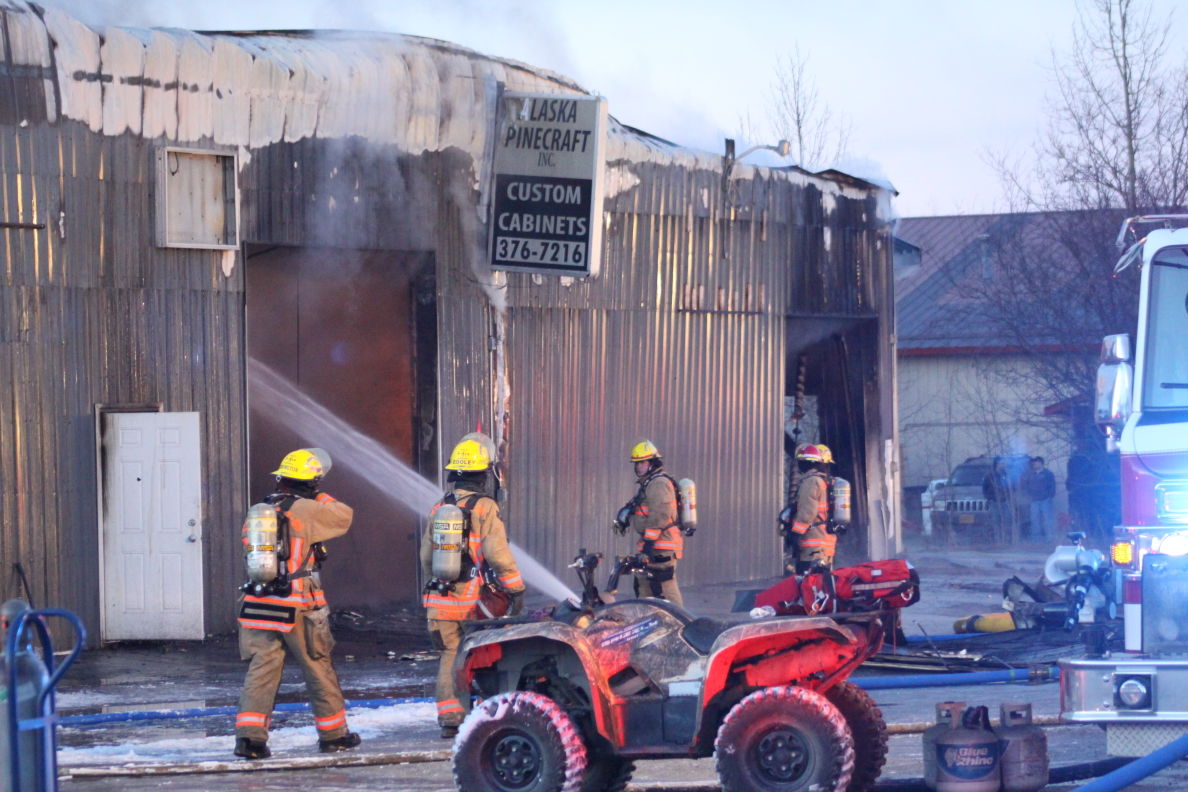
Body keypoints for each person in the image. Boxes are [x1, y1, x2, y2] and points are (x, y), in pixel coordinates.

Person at [234, 448, 360, 760]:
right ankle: (334, 736)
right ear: (310, 482)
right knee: (318, 666)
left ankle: (250, 740)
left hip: (258, 603)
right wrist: (320, 495)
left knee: (261, 670)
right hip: (297, 604)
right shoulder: (307, 509)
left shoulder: (260, 510)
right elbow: (343, 515)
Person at [421, 433, 525, 739]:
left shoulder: (439, 507)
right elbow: (497, 554)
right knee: (483, 651)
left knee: (449, 654)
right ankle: (493, 711)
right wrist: (515, 588)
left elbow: (426, 556)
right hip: (469, 600)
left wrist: (441, 579)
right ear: (484, 474)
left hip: (438, 599)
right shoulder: (485, 507)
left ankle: (450, 719)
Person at [613, 440, 684, 605]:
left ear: (652, 463)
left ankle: (679, 617)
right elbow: (641, 506)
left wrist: (650, 542)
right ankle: (647, 616)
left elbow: (660, 514)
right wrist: (625, 516)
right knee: (644, 583)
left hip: (663, 545)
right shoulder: (649, 483)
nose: (638, 467)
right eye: (636, 463)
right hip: (653, 543)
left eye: (642, 462)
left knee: (664, 584)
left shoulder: (659, 483)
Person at [780, 443, 836, 574]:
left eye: (800, 462)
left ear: (806, 463)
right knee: (823, 581)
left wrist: (795, 533)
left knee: (809, 581)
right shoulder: (823, 480)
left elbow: (808, 511)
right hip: (824, 543)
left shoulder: (811, 482)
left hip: (813, 545)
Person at [1022, 456, 1056, 541]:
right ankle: (1036, 538)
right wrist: (1029, 496)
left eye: (1036, 462)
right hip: (1034, 500)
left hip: (1045, 500)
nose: (1034, 464)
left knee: (1047, 518)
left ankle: (1049, 537)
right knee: (1034, 519)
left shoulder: (1048, 474)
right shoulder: (1030, 474)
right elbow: (1025, 486)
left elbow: (1052, 486)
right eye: (1034, 463)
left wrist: (1049, 496)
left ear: (1041, 463)